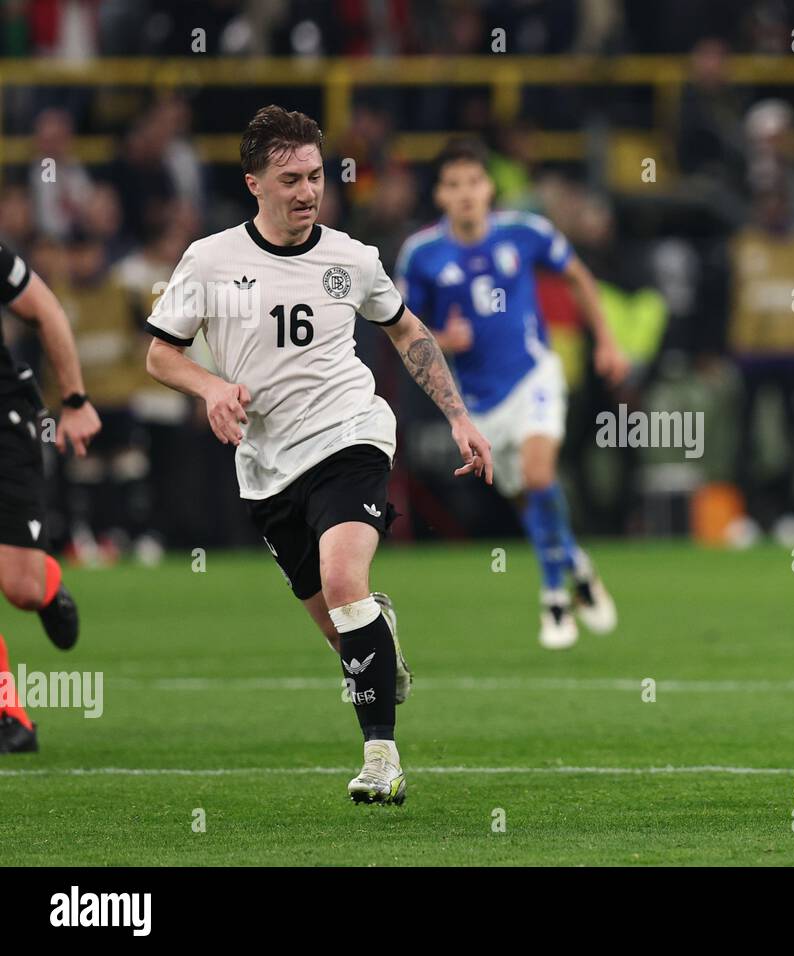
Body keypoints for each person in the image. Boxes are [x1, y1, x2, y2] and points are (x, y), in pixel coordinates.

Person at [144, 106, 493, 804]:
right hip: (266, 466)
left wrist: (459, 416)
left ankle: (381, 760)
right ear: (254, 184)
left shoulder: (352, 259)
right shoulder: (209, 261)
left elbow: (407, 331)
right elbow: (160, 354)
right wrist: (211, 387)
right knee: (345, 631)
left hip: (349, 435)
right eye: (290, 179)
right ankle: (374, 632)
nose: (307, 192)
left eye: (316, 176)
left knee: (341, 582)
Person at [396, 139, 627, 650]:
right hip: (478, 402)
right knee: (528, 497)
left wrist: (607, 342)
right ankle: (577, 564)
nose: (465, 194)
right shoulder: (421, 254)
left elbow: (579, 278)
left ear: (490, 187)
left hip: (534, 376)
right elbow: (404, 327)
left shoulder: (526, 232)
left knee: (541, 473)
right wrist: (441, 338)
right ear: (439, 194)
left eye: (473, 182)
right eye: (453, 185)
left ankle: (554, 598)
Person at [0, 241, 103, 752]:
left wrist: (76, 400)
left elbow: (46, 310)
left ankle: (48, 582)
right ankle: (9, 717)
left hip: (5, 423)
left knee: (19, 587)